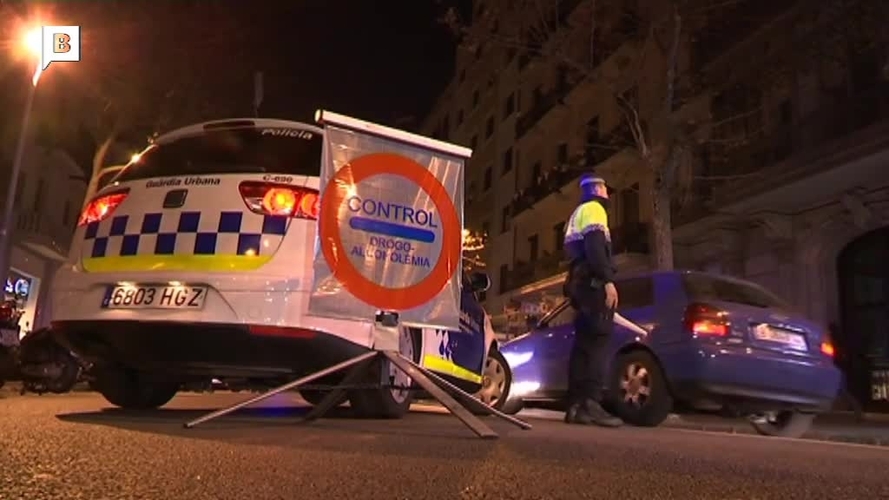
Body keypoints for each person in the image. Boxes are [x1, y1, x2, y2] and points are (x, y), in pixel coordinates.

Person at [561, 174, 623, 427]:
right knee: (597, 342)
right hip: (592, 284)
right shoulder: (595, 209)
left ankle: (576, 406)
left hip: (578, 284)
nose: (608, 192)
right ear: (597, 188)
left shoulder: (577, 213)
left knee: (583, 347)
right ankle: (592, 404)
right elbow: (596, 247)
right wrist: (607, 280)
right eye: (606, 188)